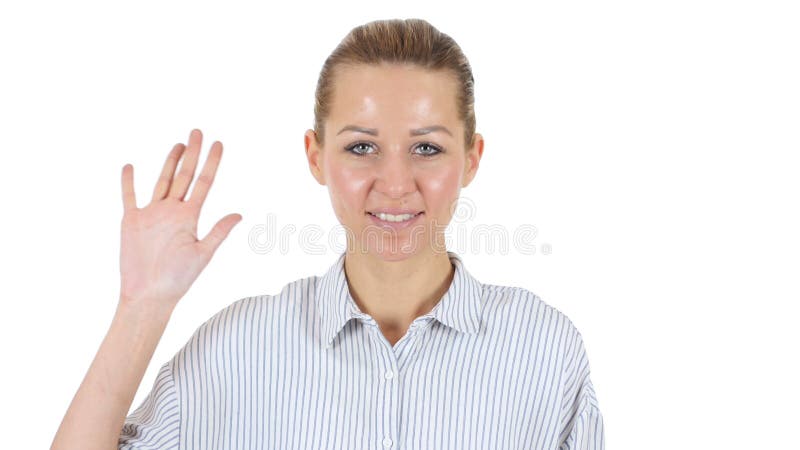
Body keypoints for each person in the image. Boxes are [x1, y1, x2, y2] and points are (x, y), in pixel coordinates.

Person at [51, 18, 604, 450]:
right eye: (361, 147)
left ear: (472, 158)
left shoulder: (545, 349)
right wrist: (140, 305)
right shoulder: (237, 348)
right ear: (316, 157)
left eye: (427, 148)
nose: (394, 184)